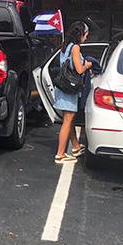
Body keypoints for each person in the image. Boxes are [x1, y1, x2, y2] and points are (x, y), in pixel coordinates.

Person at [52, 20, 92, 164]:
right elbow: (79, 69)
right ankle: (60, 154)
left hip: (63, 87)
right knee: (68, 121)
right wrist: (87, 65)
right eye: (85, 34)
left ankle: (75, 146)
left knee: (69, 120)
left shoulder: (66, 46)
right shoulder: (75, 48)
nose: (86, 37)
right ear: (80, 34)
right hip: (69, 89)